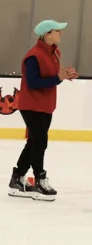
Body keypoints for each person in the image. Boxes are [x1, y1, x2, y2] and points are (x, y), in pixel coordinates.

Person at [11, 20, 78, 200]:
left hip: (46, 104)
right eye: (58, 31)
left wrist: (65, 75)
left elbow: (53, 75)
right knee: (40, 141)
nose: (61, 34)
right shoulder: (33, 56)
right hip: (31, 104)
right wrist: (58, 78)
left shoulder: (55, 52)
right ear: (47, 34)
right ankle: (39, 179)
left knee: (34, 141)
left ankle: (17, 178)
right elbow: (33, 83)